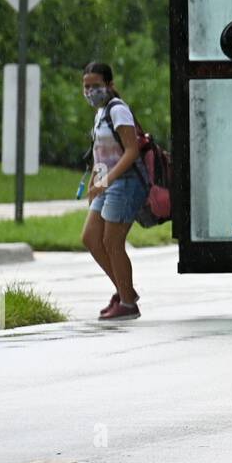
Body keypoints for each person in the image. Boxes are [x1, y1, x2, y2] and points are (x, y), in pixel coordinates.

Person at [79, 62, 148, 320]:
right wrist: (95, 181)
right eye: (86, 87)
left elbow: (131, 151)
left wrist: (105, 181)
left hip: (125, 182)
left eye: (96, 86)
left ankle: (128, 303)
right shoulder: (100, 113)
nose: (90, 91)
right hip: (106, 183)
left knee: (112, 242)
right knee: (90, 238)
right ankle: (124, 290)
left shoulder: (118, 111)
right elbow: (103, 153)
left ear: (109, 85)